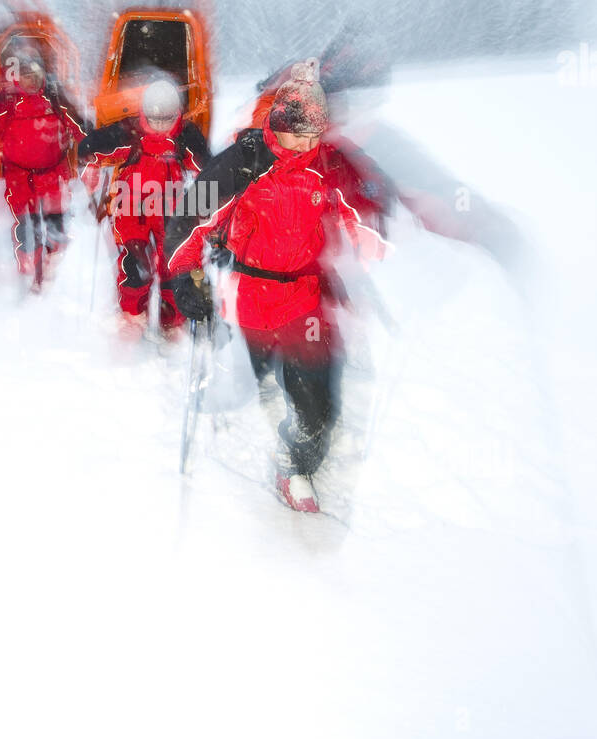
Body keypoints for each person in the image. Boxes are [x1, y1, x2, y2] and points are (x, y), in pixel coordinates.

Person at [165, 66, 386, 511]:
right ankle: (256, 382)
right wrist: (183, 277)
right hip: (252, 293)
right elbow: (190, 221)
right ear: (279, 124)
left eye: (314, 136)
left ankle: (296, 466)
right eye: (298, 136)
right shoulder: (243, 161)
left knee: (317, 400)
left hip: (305, 295)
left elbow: (358, 205)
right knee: (263, 367)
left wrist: (371, 234)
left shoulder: (325, 162)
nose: (306, 146)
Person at [79, 78, 209, 331]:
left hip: (172, 209)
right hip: (131, 209)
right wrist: (90, 167)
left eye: (167, 120)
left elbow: (209, 169)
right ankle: (132, 317)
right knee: (136, 266)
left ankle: (171, 321)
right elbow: (89, 147)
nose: (160, 126)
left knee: (173, 265)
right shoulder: (129, 133)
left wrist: (208, 203)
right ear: (144, 114)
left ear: (177, 115)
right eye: (154, 120)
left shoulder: (186, 136)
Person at [0, 49, 86, 287]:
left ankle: (53, 262)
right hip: (20, 176)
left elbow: (79, 128)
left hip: (52, 172)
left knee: (56, 221)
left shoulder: (55, 101)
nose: (30, 81)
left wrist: (90, 145)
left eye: (34, 76)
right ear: (17, 79)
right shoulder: (5, 106)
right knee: (26, 223)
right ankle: (28, 268)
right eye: (25, 76)